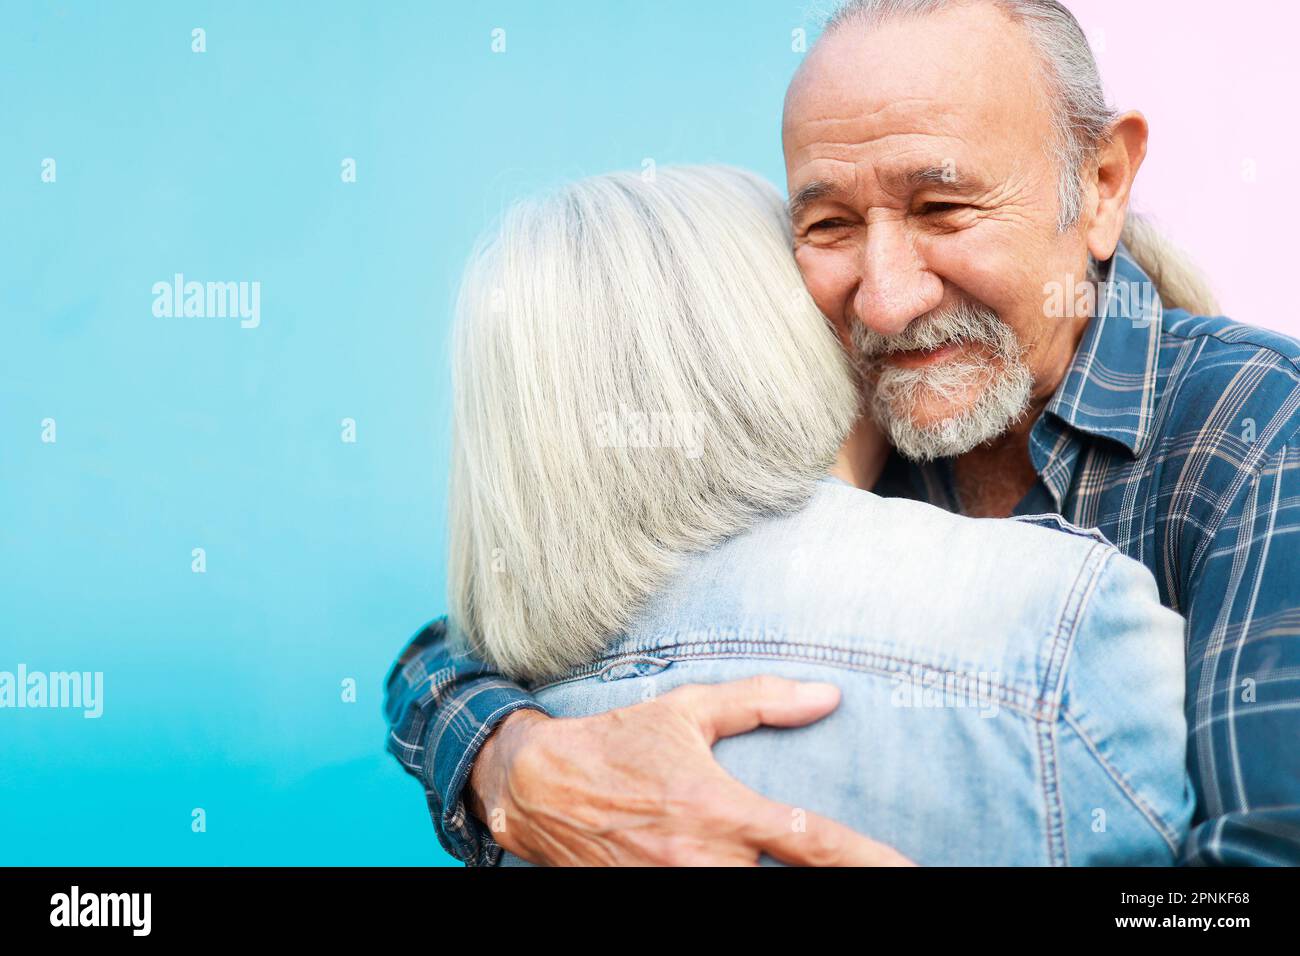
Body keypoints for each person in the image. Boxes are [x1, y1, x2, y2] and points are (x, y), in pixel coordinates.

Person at [388, 0, 1300, 867]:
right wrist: (512, 763)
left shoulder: (1258, 428)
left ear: (1101, 185)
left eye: (943, 210)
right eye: (829, 225)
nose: (887, 299)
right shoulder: (842, 420)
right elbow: (488, 628)